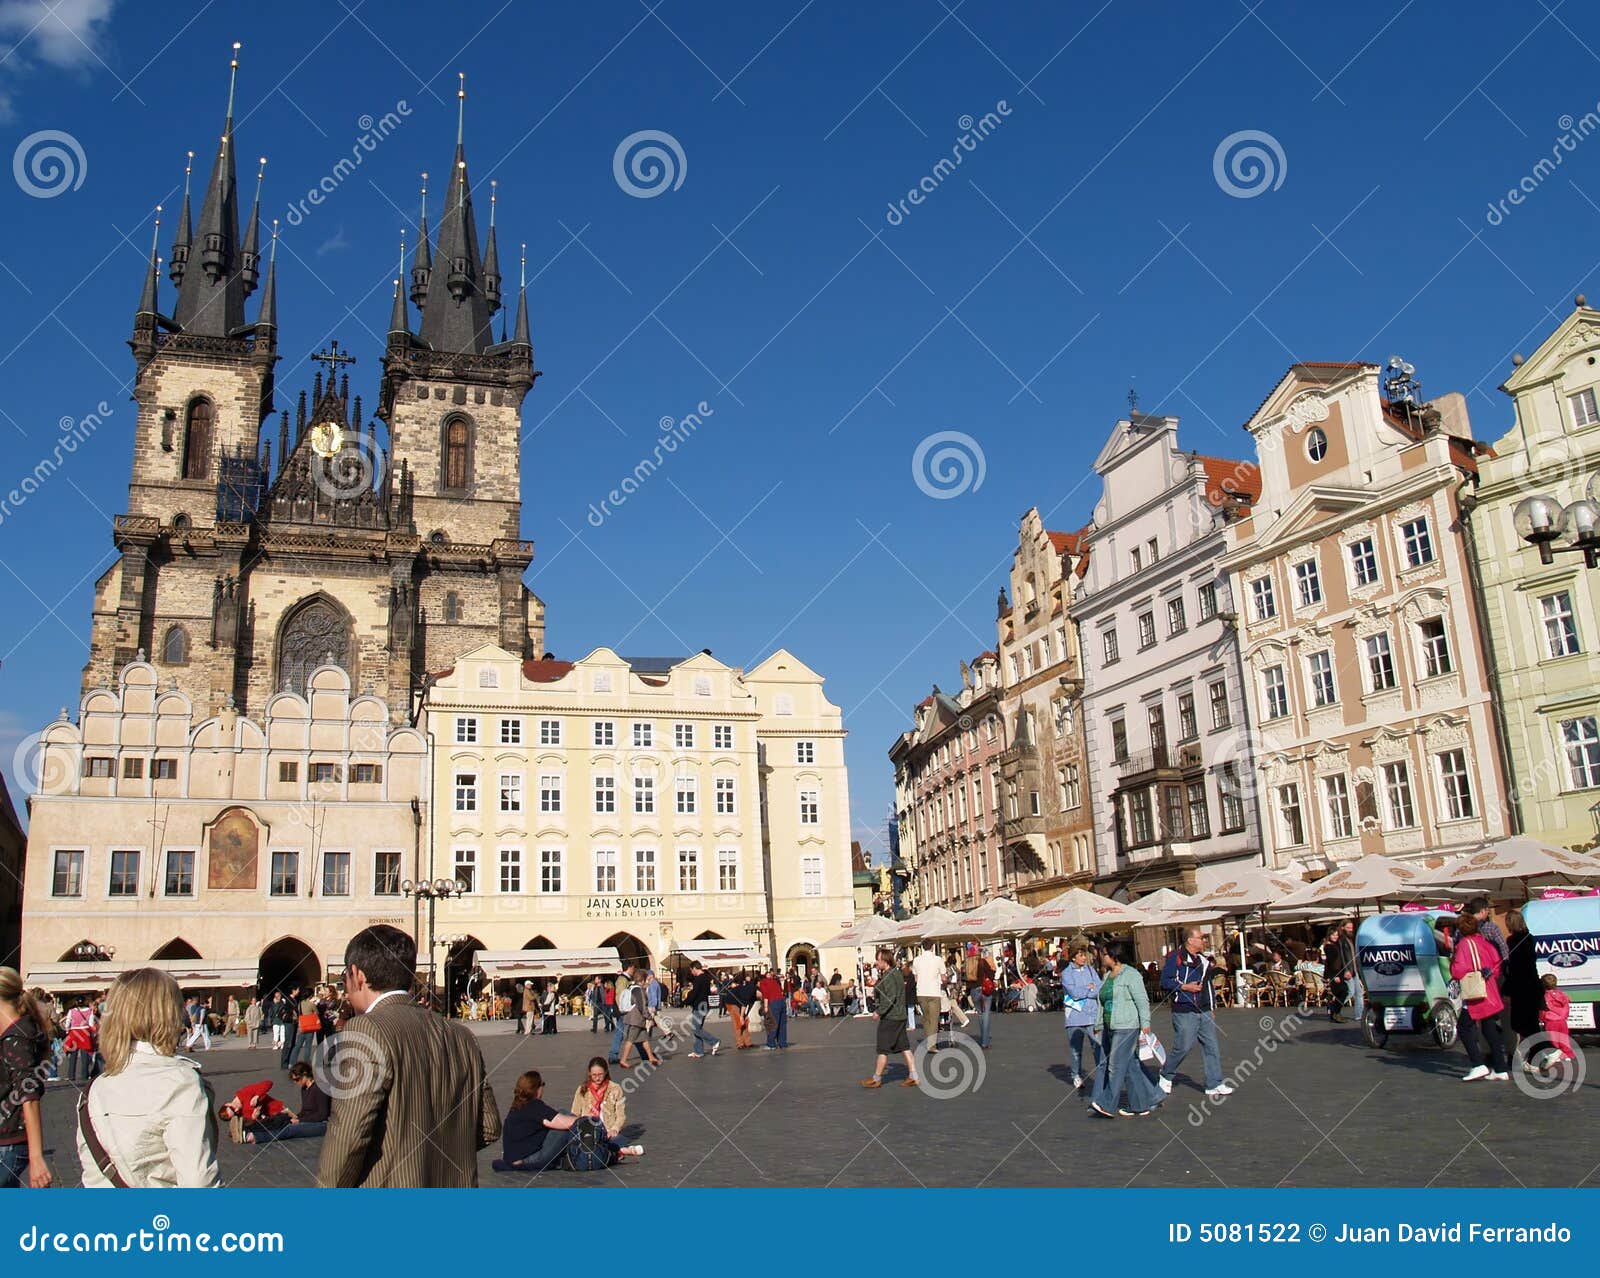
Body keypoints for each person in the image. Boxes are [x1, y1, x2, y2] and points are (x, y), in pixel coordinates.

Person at [316, 925, 500, 1187]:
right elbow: (489, 1126)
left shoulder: (366, 1029)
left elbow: (349, 1135)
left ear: (357, 975)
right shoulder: (461, 1036)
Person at [76, 968, 221, 1187]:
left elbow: (93, 1175)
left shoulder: (94, 1089)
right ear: (168, 1013)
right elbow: (199, 1184)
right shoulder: (180, 1082)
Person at [1158, 928, 1233, 1101]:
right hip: (1184, 1009)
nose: (1204, 941)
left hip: (1203, 1008)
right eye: (1201, 938)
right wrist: (1184, 987)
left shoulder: (1203, 961)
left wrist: (1211, 1007)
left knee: (1211, 1046)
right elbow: (1165, 981)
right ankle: (1166, 1074)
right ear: (1190, 940)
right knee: (1183, 1046)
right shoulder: (1176, 958)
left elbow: (1208, 986)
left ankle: (1214, 1083)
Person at [1090, 942, 1162, 1119]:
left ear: (1114, 955)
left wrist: (1145, 1023)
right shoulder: (1107, 975)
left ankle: (1107, 1104)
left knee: (1115, 1065)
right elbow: (1102, 1002)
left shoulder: (1131, 974)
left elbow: (1142, 1000)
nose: (1102, 957)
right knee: (1131, 1066)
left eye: (1104, 954)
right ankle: (1143, 1103)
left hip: (1126, 1025)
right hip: (1109, 1025)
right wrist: (1098, 1025)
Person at [0, 967, 53, 1188]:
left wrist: (36, 1157)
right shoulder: (19, 1031)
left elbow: (29, 1096)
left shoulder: (16, 1037)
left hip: (9, 1141)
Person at [1449, 912, 1509, 1082]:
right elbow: (1497, 964)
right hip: (1489, 990)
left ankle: (1477, 1064)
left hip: (1475, 993)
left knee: (1464, 1027)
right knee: (1490, 1029)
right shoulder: (1484, 942)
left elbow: (1458, 971)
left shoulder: (1463, 945)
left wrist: (1452, 964)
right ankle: (1500, 1068)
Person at [563, 1060, 644, 1163]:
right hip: (587, 1130)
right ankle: (621, 1151)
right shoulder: (582, 1089)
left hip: (608, 1131)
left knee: (614, 1140)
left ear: (606, 1072)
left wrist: (615, 1129)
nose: (597, 1078)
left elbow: (621, 1115)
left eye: (600, 1074)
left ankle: (611, 1150)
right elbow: (575, 1114)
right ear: (589, 1073)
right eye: (594, 1075)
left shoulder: (615, 1088)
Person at [860, 948, 918, 1088]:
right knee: (904, 1047)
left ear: (885, 960)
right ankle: (914, 1076)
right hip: (900, 1016)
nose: (876, 962)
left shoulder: (889, 975)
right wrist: (877, 984)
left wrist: (879, 1012)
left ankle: (876, 1079)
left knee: (883, 1048)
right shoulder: (895, 973)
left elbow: (890, 997)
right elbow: (890, 991)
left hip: (891, 1017)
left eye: (878, 960)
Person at [1060, 943, 1103, 1090]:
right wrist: (1089, 989)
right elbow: (1074, 993)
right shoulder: (1067, 973)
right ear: (1073, 958)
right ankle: (1076, 1075)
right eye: (1081, 955)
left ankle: (1102, 1074)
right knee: (1076, 1050)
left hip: (1092, 1014)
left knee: (1098, 1047)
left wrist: (1089, 990)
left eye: (1084, 955)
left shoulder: (1091, 970)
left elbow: (1099, 987)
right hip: (1075, 1016)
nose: (1084, 958)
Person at [1502, 909, 1543, 1058]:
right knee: (1530, 1023)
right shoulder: (1529, 938)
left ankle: (1541, 1050)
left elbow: (1516, 967)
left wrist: (1506, 988)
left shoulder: (1513, 941)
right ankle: (1536, 1053)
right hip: (1532, 984)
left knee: (1520, 1023)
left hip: (1522, 987)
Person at [616, 962, 661, 1070]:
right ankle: (623, 1060)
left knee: (644, 1039)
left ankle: (651, 1058)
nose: (648, 982)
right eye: (646, 980)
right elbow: (642, 1006)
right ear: (642, 980)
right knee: (630, 1040)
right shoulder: (638, 990)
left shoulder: (632, 987)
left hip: (635, 1019)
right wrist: (649, 1017)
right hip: (635, 1019)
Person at [1533, 974, 1576, 1073]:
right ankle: (1567, 1054)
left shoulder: (1544, 996)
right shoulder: (1562, 995)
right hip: (1562, 1021)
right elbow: (1566, 1007)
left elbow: (1543, 1010)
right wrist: (1564, 1017)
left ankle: (1555, 1055)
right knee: (1564, 1038)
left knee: (1553, 1040)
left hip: (1551, 1021)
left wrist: (1541, 1018)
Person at [911, 941, 946, 1052]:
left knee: (926, 1018)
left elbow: (916, 978)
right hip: (934, 991)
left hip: (921, 992)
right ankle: (931, 1045)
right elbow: (944, 977)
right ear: (932, 947)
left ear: (922, 947)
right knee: (934, 1019)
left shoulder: (916, 960)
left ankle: (929, 1041)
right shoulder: (938, 959)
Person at [684, 962, 721, 1059]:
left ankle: (714, 1041)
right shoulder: (706, 978)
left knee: (696, 1029)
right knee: (697, 1028)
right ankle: (698, 1051)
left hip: (699, 1006)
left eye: (691, 970)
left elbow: (695, 993)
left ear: (694, 968)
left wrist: (686, 1001)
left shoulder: (698, 979)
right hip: (704, 1005)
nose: (691, 972)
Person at [61, 997, 96, 1083]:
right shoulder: (89, 1011)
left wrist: (67, 1031)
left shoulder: (71, 1011)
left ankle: (71, 1075)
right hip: (84, 1033)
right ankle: (84, 1074)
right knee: (85, 1056)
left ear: (76, 1002)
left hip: (74, 1033)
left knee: (73, 1055)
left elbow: (68, 1023)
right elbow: (91, 1024)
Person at [758, 968, 788, 1050]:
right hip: (782, 1001)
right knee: (782, 1024)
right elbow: (781, 991)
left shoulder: (763, 982)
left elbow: (766, 995)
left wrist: (766, 1007)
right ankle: (782, 1043)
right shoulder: (774, 981)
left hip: (774, 1003)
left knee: (772, 1023)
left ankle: (771, 1044)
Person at [725, 972, 757, 1049]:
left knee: (746, 1021)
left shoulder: (753, 992)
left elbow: (750, 1004)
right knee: (738, 1022)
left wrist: (746, 1015)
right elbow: (744, 1004)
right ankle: (740, 1043)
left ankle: (748, 1042)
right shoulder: (750, 991)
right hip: (731, 1002)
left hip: (738, 1002)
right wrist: (742, 1017)